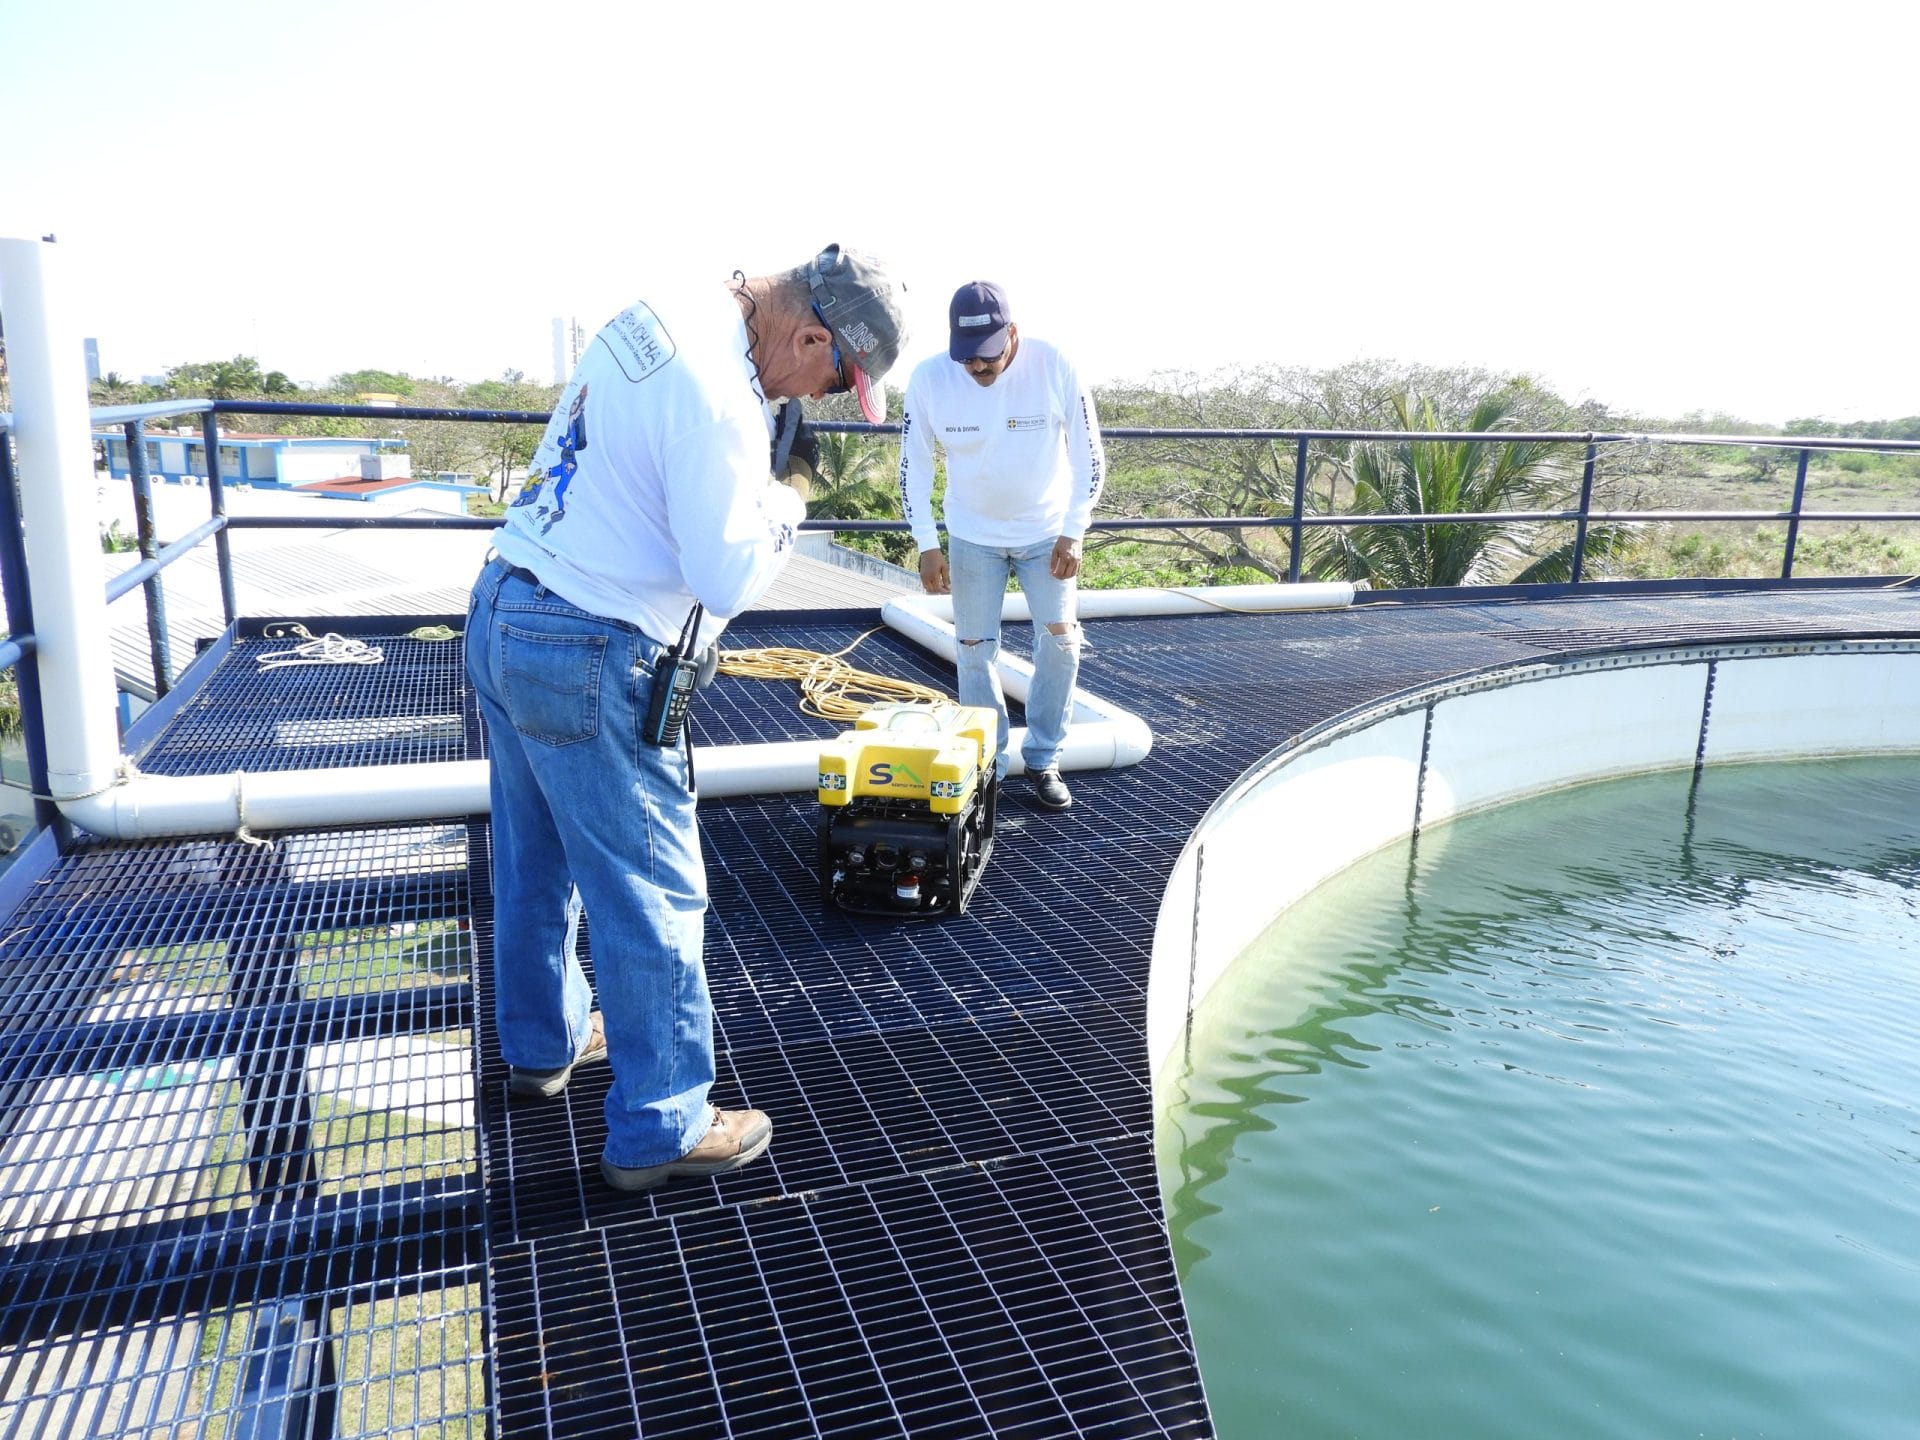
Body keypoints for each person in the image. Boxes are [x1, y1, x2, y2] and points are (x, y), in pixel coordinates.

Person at [465, 244, 905, 1192]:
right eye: (835, 377)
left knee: (532, 855)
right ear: (811, 333)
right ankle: (663, 1122)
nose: (822, 398)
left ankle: (543, 1045)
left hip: (506, 602)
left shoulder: (664, 311)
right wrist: (790, 492)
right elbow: (729, 575)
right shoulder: (720, 400)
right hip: (592, 644)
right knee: (654, 891)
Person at [897, 280, 1107, 810]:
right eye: (967, 359)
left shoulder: (1054, 364)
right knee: (973, 649)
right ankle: (988, 760)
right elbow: (913, 469)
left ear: (1012, 334)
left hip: (1046, 533)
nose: (977, 370)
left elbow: (1091, 459)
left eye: (988, 357)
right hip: (971, 536)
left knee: (1061, 640)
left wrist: (1074, 529)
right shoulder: (928, 379)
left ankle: (1043, 757)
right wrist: (927, 543)